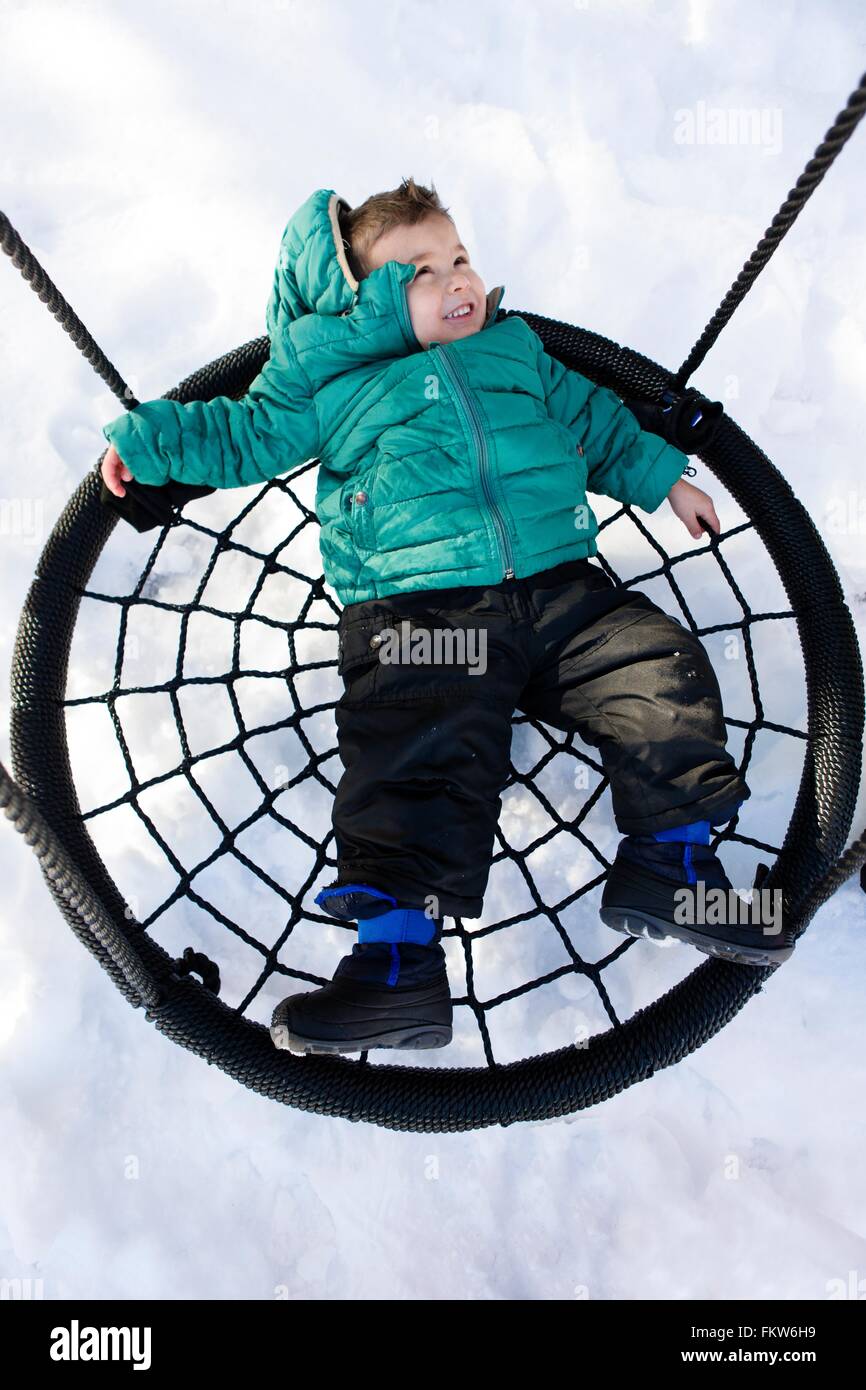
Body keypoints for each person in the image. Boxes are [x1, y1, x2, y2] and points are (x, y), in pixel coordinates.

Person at [101, 178, 794, 1057]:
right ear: (370, 303)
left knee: (656, 666)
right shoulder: (331, 383)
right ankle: (397, 970)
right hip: (424, 610)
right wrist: (148, 442)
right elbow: (240, 435)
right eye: (421, 272)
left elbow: (592, 421)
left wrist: (662, 478)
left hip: (560, 591)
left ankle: (673, 864)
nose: (457, 279)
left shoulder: (516, 350)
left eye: (460, 257)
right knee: (417, 745)